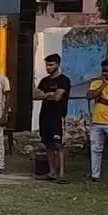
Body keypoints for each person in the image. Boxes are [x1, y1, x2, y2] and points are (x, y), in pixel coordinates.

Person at [33, 53, 72, 184]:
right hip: (45, 115)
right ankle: (52, 172)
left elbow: (57, 97)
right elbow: (34, 95)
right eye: (47, 65)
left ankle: (61, 174)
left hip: (57, 116)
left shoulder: (64, 80)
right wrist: (49, 94)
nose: (48, 67)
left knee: (58, 144)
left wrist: (45, 95)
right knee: (48, 144)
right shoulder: (44, 81)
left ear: (57, 64)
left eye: (51, 65)